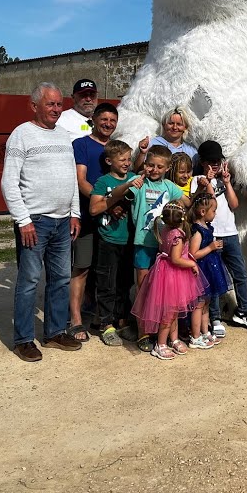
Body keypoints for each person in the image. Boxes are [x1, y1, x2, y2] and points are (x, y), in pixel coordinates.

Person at [1, 82, 84, 362]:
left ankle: (54, 332)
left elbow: (71, 178)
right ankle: (23, 339)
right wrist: (23, 220)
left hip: (62, 222)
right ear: (34, 105)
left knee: (60, 279)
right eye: (50, 104)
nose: (56, 109)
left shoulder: (63, 135)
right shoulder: (21, 135)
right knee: (29, 281)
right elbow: (9, 182)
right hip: (35, 223)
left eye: (59, 104)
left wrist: (75, 213)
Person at [191, 140, 247, 332]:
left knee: (240, 273)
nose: (215, 165)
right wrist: (208, 182)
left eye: (218, 161)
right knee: (214, 277)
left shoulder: (225, 180)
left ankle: (245, 311)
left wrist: (228, 183)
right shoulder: (198, 181)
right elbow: (210, 205)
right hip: (211, 236)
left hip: (230, 233)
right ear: (202, 162)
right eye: (211, 161)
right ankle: (215, 318)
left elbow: (234, 204)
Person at [127, 145, 190, 351]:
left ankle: (167, 334)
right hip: (143, 243)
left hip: (164, 245)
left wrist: (203, 190)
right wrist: (135, 180)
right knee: (143, 288)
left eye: (159, 166)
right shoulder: (139, 182)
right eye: (151, 165)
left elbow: (186, 202)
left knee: (168, 293)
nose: (154, 170)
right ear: (145, 164)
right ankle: (143, 332)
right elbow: (126, 193)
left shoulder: (169, 186)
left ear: (167, 168)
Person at [131, 203, 209, 361]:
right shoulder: (177, 236)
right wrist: (192, 264)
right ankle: (160, 344)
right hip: (173, 275)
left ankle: (173, 339)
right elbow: (176, 259)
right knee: (169, 313)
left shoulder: (165, 229)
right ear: (182, 218)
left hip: (167, 272)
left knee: (174, 310)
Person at [69, 102, 118, 342]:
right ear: (94, 120)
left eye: (112, 120)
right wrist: (107, 202)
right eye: (104, 119)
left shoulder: (117, 148)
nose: (108, 124)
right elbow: (80, 180)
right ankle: (75, 319)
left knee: (106, 269)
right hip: (88, 216)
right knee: (82, 267)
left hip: (112, 219)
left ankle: (101, 316)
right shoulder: (81, 144)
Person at [88, 139, 136, 346]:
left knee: (125, 283)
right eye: (122, 159)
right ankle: (106, 324)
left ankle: (122, 320)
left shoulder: (134, 177)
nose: (127, 163)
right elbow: (93, 209)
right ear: (109, 161)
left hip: (130, 239)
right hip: (108, 240)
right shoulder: (103, 182)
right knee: (106, 283)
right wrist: (112, 202)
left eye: (129, 159)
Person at [187, 193, 229, 349]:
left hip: (210, 270)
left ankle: (205, 331)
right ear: (203, 212)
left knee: (206, 303)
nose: (215, 213)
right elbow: (193, 254)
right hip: (200, 271)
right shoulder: (198, 231)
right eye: (214, 210)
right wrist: (211, 247)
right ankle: (195, 336)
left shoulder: (207, 228)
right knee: (199, 304)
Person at [133, 106, 198, 170]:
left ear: (185, 127)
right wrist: (142, 153)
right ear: (164, 125)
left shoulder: (192, 150)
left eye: (179, 124)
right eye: (171, 123)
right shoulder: (152, 143)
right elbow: (137, 170)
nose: (174, 127)